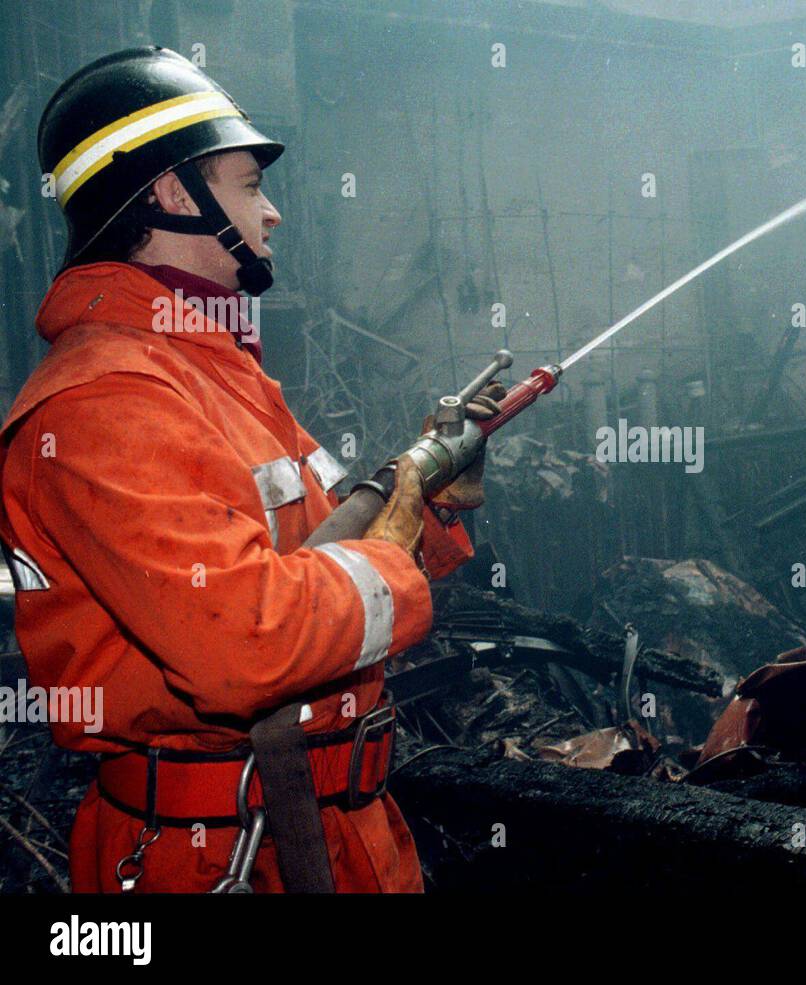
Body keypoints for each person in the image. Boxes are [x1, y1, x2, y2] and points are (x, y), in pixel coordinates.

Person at [0, 47, 497, 892]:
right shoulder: (102, 403)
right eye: (247, 185)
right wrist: (392, 559)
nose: (271, 215)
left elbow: (314, 544)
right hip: (213, 855)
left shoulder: (214, 370)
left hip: (327, 830)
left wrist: (430, 502)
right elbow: (245, 642)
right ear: (170, 192)